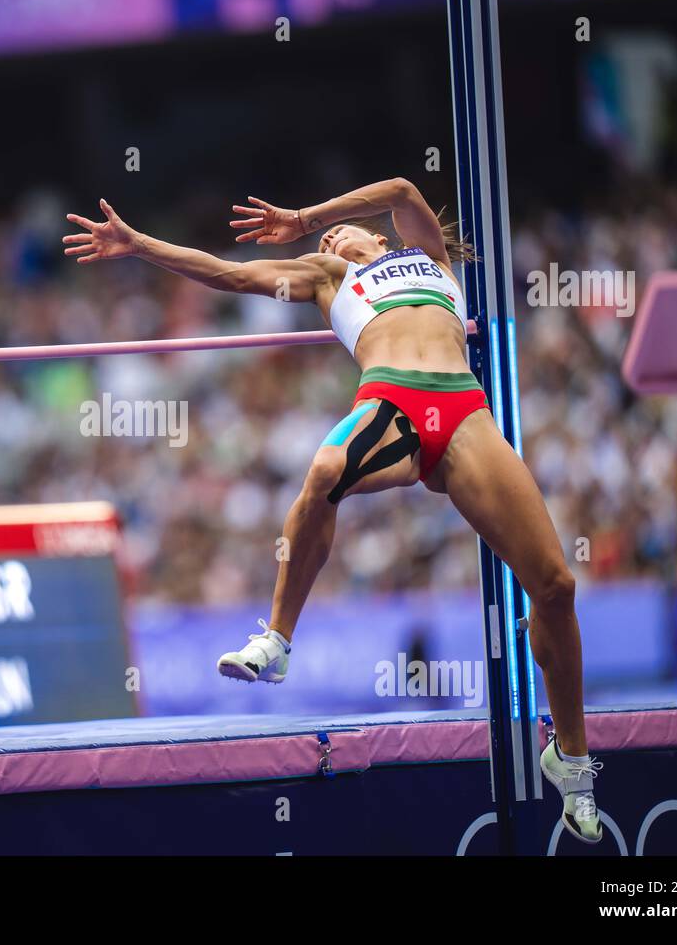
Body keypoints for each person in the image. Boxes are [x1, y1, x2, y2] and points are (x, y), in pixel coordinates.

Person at [62, 179, 602, 843]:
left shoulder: (427, 255)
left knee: (555, 585)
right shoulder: (324, 276)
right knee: (324, 471)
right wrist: (139, 244)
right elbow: (229, 275)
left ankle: (571, 762)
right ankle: (278, 641)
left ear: (380, 234)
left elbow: (402, 186)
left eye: (340, 233)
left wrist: (304, 215)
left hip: (465, 413)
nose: (329, 240)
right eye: (324, 239)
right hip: (393, 404)